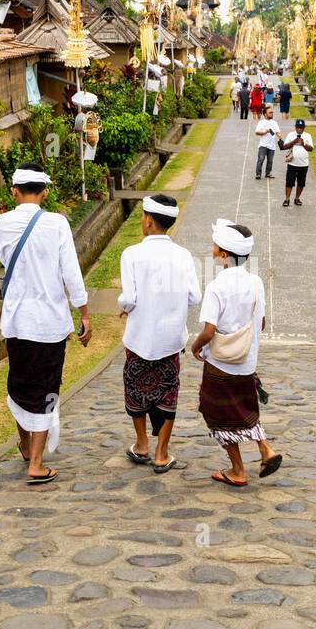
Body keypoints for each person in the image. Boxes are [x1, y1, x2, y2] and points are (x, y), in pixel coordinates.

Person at [0, 162, 91, 485]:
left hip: (18, 320)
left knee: (20, 384)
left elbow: (4, 260)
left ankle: (24, 445)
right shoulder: (56, 224)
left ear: (14, 192)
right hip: (49, 321)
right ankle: (36, 461)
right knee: (46, 387)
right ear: (45, 191)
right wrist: (84, 313)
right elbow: (70, 272)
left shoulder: (0, 223)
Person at [192, 219, 282, 487]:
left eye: (215, 244)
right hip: (246, 362)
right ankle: (266, 449)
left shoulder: (216, 286)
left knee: (217, 414)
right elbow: (261, 322)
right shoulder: (256, 282)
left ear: (222, 253)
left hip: (221, 363)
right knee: (244, 409)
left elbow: (209, 331)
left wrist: (196, 348)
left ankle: (237, 470)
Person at [118, 193, 201, 474]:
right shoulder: (183, 256)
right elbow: (194, 296)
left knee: (136, 389)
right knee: (168, 392)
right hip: (170, 338)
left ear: (150, 221)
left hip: (140, 338)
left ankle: (142, 444)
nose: (142, 221)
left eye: (143, 216)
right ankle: (162, 452)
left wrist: (124, 307)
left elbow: (128, 298)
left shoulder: (131, 254)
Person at [279, 117, 314, 207]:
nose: (299, 129)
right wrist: (294, 141)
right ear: (295, 127)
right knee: (289, 182)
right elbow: (284, 146)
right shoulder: (291, 135)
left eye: (301, 127)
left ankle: (297, 198)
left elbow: (311, 149)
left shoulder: (308, 136)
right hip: (292, 163)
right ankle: (287, 199)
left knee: (301, 183)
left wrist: (303, 144)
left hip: (303, 164)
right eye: (298, 127)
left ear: (304, 128)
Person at [254, 104, 278, 179]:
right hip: (263, 145)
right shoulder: (261, 122)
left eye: (272, 112)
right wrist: (265, 132)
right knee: (261, 159)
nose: (272, 114)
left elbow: (277, 131)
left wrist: (279, 136)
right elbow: (257, 132)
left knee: (270, 161)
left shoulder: (274, 122)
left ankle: (268, 173)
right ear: (265, 114)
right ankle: (258, 174)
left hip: (272, 145)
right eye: (270, 112)